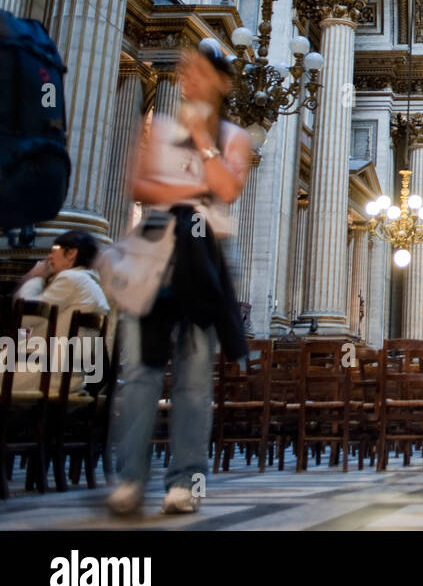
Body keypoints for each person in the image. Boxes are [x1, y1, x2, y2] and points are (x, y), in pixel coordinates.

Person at [107, 40, 251, 517]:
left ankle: (186, 482)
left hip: (201, 259)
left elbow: (228, 188)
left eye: (199, 71)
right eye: (185, 68)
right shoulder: (161, 126)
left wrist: (203, 144)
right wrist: (199, 184)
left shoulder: (233, 136)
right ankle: (128, 477)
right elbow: (141, 184)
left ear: (222, 82)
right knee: (139, 375)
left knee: (193, 381)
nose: (188, 77)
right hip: (153, 255)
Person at [12, 230, 111, 395]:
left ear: (71, 253)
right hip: (68, 375)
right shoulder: (90, 284)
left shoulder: (71, 279)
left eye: (53, 249)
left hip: (46, 374)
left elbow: (24, 317)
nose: (49, 257)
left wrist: (35, 277)